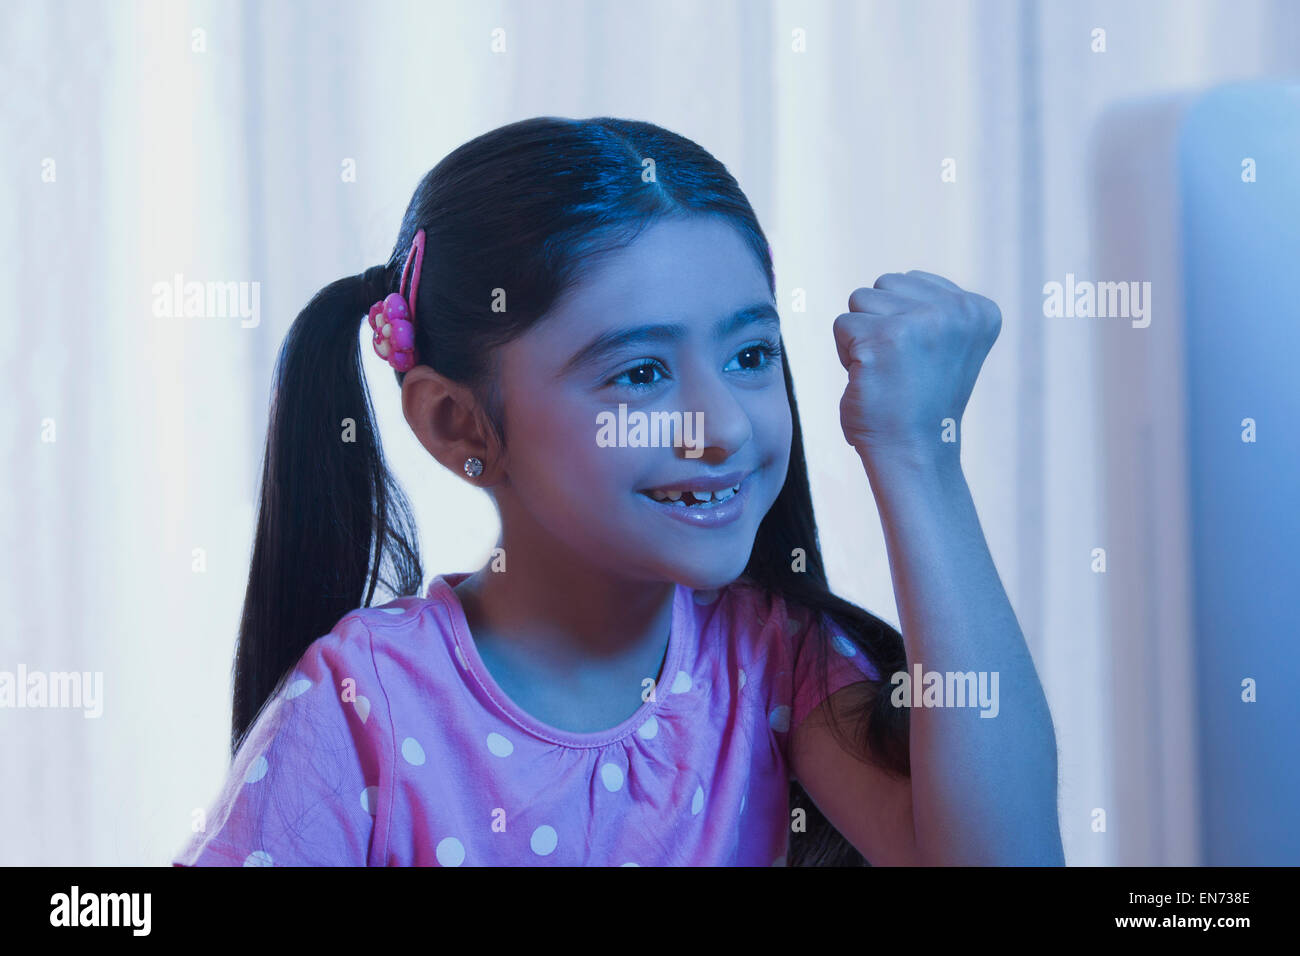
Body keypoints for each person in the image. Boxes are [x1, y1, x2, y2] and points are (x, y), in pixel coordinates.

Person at [172, 116, 1063, 866]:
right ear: (458, 426)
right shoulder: (361, 703)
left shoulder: (776, 661)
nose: (723, 426)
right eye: (640, 373)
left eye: (751, 356)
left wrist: (918, 457)